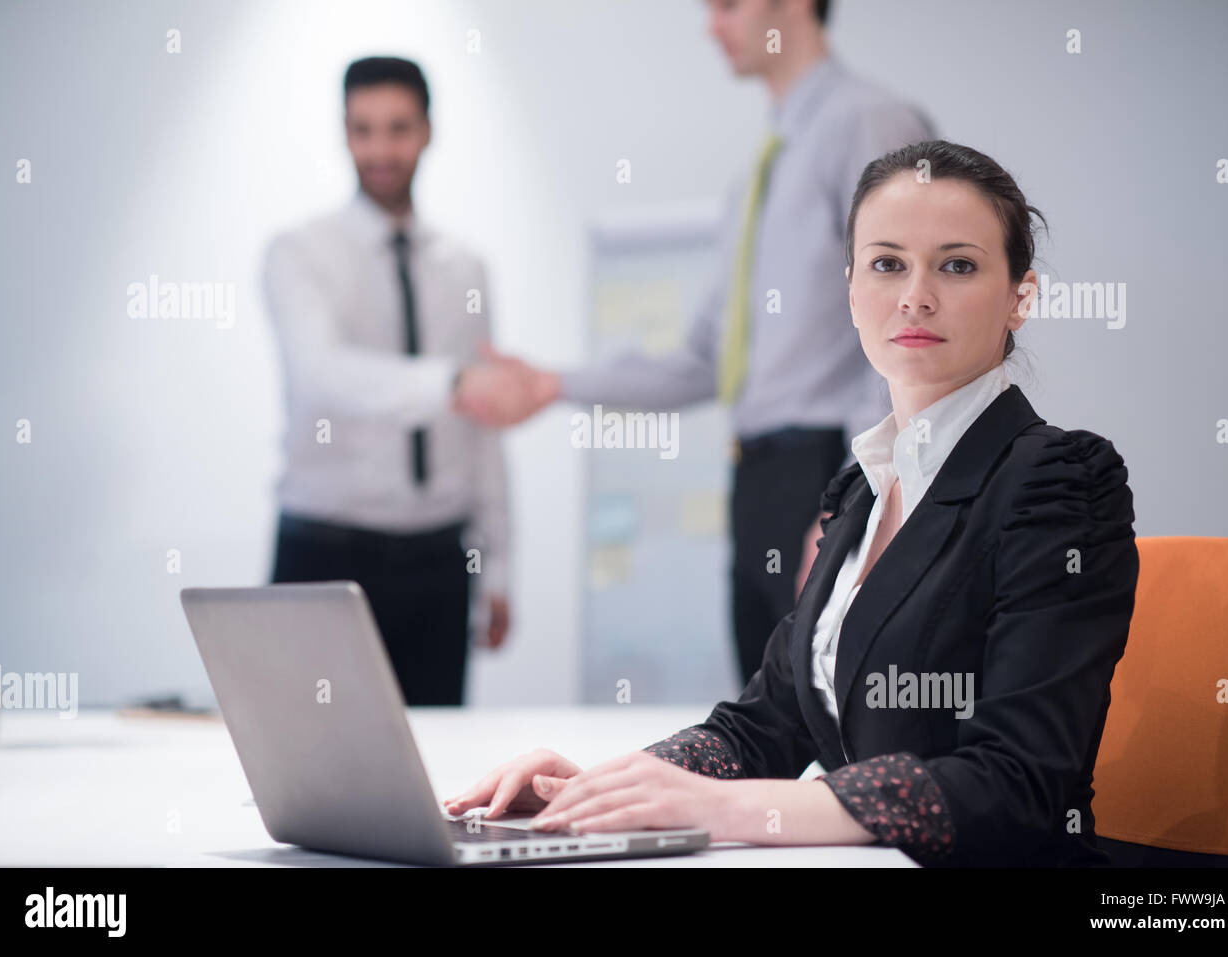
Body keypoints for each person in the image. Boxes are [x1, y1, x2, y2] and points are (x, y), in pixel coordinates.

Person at [441, 140, 1140, 867]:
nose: (915, 295)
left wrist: (725, 808)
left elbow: (1017, 781)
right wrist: (602, 789)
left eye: (957, 265)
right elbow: (765, 726)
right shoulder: (862, 487)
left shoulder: (1059, 479)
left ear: (1020, 296)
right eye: (887, 263)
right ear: (850, 291)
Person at [472, 0, 935, 687]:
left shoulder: (869, 124)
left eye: (726, 4)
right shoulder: (756, 176)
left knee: (844, 726)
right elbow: (706, 360)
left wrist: (866, 501)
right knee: (768, 727)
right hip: (758, 482)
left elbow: (914, 324)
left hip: (827, 470)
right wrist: (554, 385)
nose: (710, 26)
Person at [263, 56, 539, 706]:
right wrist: (454, 380)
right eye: (363, 130)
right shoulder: (299, 253)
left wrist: (497, 563)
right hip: (323, 558)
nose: (380, 149)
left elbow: (483, 427)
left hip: (439, 561)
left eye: (397, 128)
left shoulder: (465, 266)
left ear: (427, 132)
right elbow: (322, 375)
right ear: (344, 133)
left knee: (433, 771)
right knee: (308, 764)